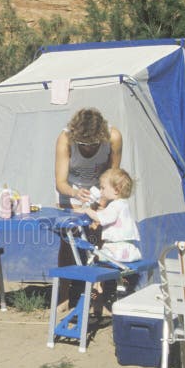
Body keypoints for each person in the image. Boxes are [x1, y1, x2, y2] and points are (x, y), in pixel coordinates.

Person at [53, 107, 122, 311]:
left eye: (93, 144)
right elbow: (60, 182)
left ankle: (98, 295)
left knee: (99, 240)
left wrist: (100, 206)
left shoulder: (113, 137)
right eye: (84, 144)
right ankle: (64, 295)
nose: (89, 148)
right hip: (72, 189)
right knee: (69, 241)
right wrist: (75, 194)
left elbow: (114, 176)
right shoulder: (65, 139)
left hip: (101, 188)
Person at [72, 168, 141, 315]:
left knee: (93, 261)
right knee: (96, 257)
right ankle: (100, 295)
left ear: (116, 190)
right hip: (127, 249)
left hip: (118, 250)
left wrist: (86, 211)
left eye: (103, 188)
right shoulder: (123, 204)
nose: (101, 191)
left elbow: (102, 218)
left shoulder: (116, 205)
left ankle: (96, 294)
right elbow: (104, 215)